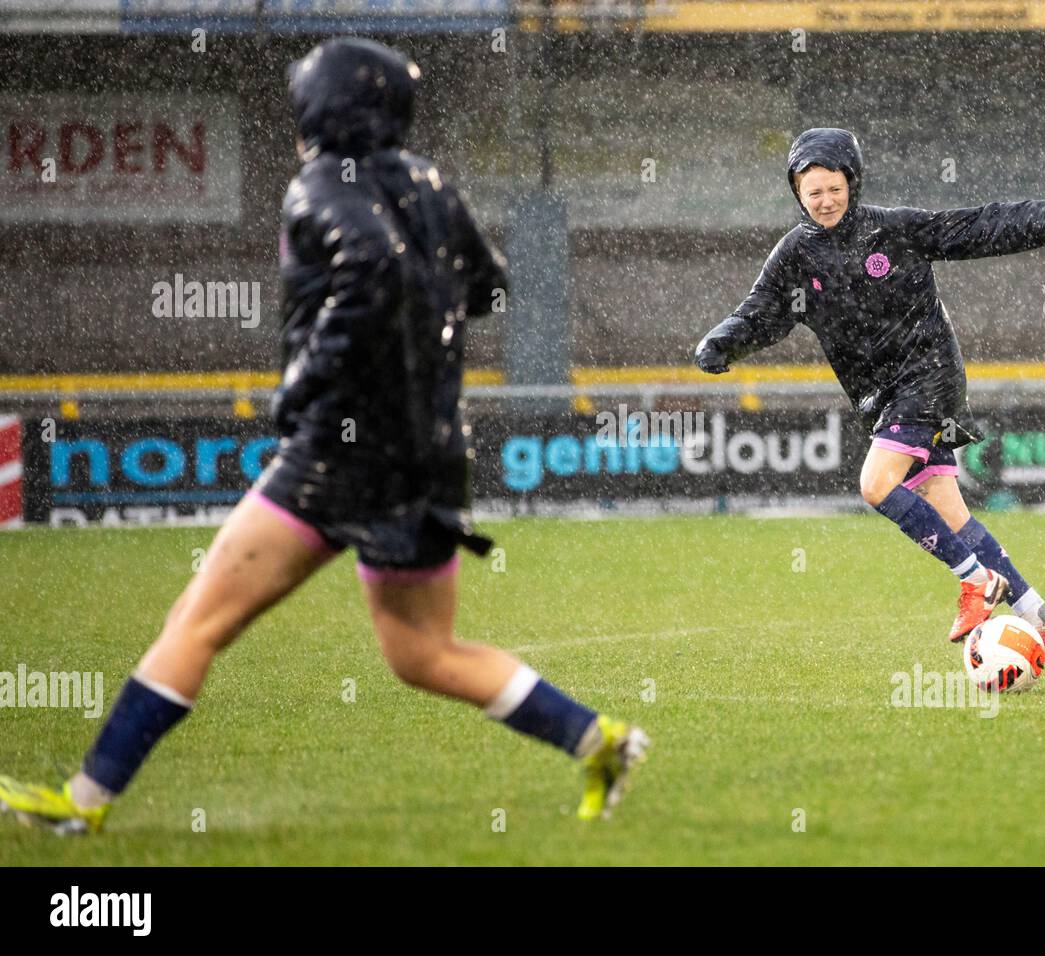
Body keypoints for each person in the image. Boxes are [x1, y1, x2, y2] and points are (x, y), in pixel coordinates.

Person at [0, 38, 647, 835]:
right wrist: (415, 339)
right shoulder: (431, 182)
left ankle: (83, 804)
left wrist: (308, 380)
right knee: (423, 656)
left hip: (335, 459)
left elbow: (373, 269)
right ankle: (600, 739)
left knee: (197, 621)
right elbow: (487, 286)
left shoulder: (317, 183)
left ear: (321, 107)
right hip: (426, 461)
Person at [695, 127, 1045, 652]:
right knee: (947, 508)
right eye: (812, 191)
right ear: (796, 193)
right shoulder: (795, 254)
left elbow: (982, 227)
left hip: (928, 377)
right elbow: (762, 312)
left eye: (834, 188)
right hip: (881, 398)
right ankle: (1040, 618)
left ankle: (977, 581)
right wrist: (722, 341)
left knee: (875, 484)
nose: (824, 200)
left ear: (854, 181)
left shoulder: (894, 230)